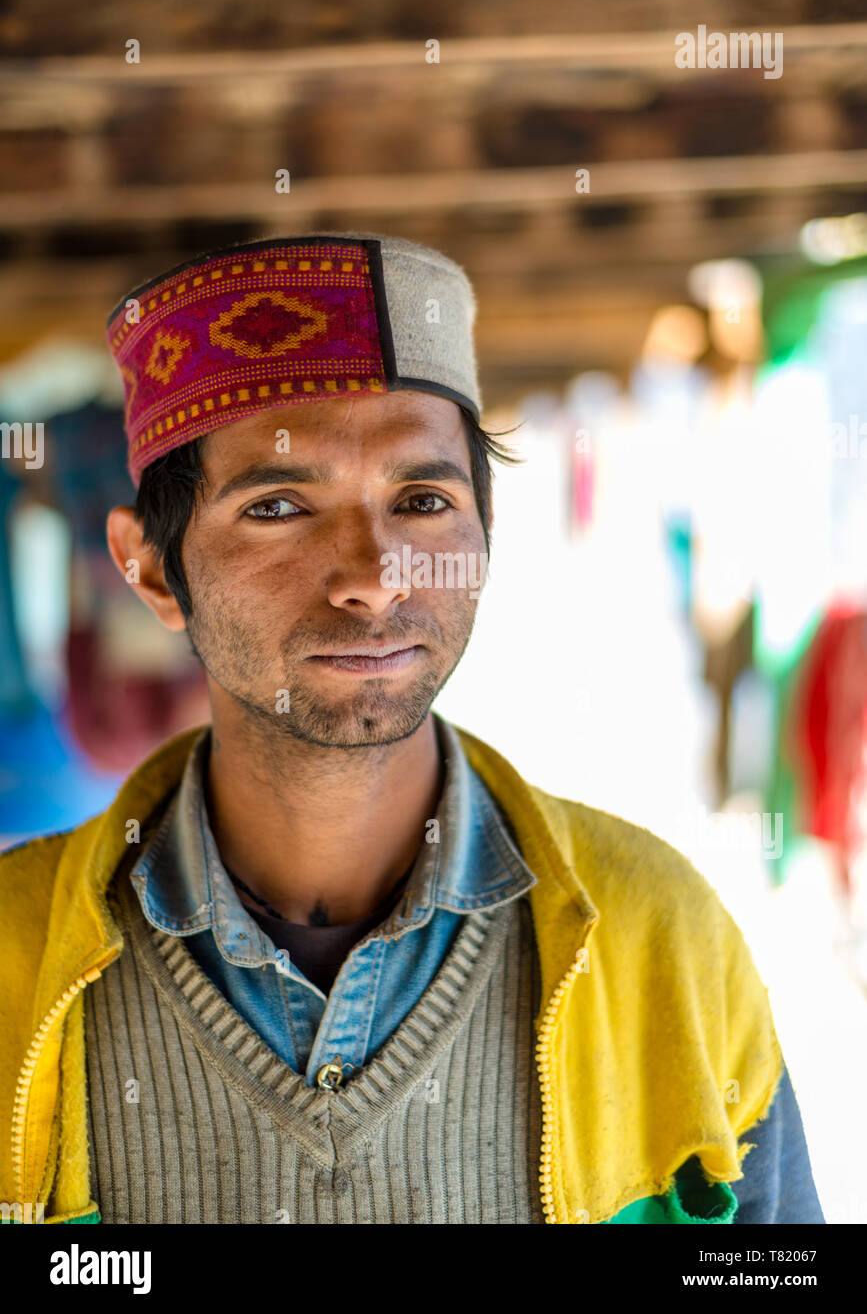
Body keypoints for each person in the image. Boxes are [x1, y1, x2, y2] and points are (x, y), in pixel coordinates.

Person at [0, 233, 824, 1225]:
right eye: (280, 506)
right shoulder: (15, 963)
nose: (376, 575)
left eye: (423, 500)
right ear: (150, 568)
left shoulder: (662, 939)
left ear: (486, 533)